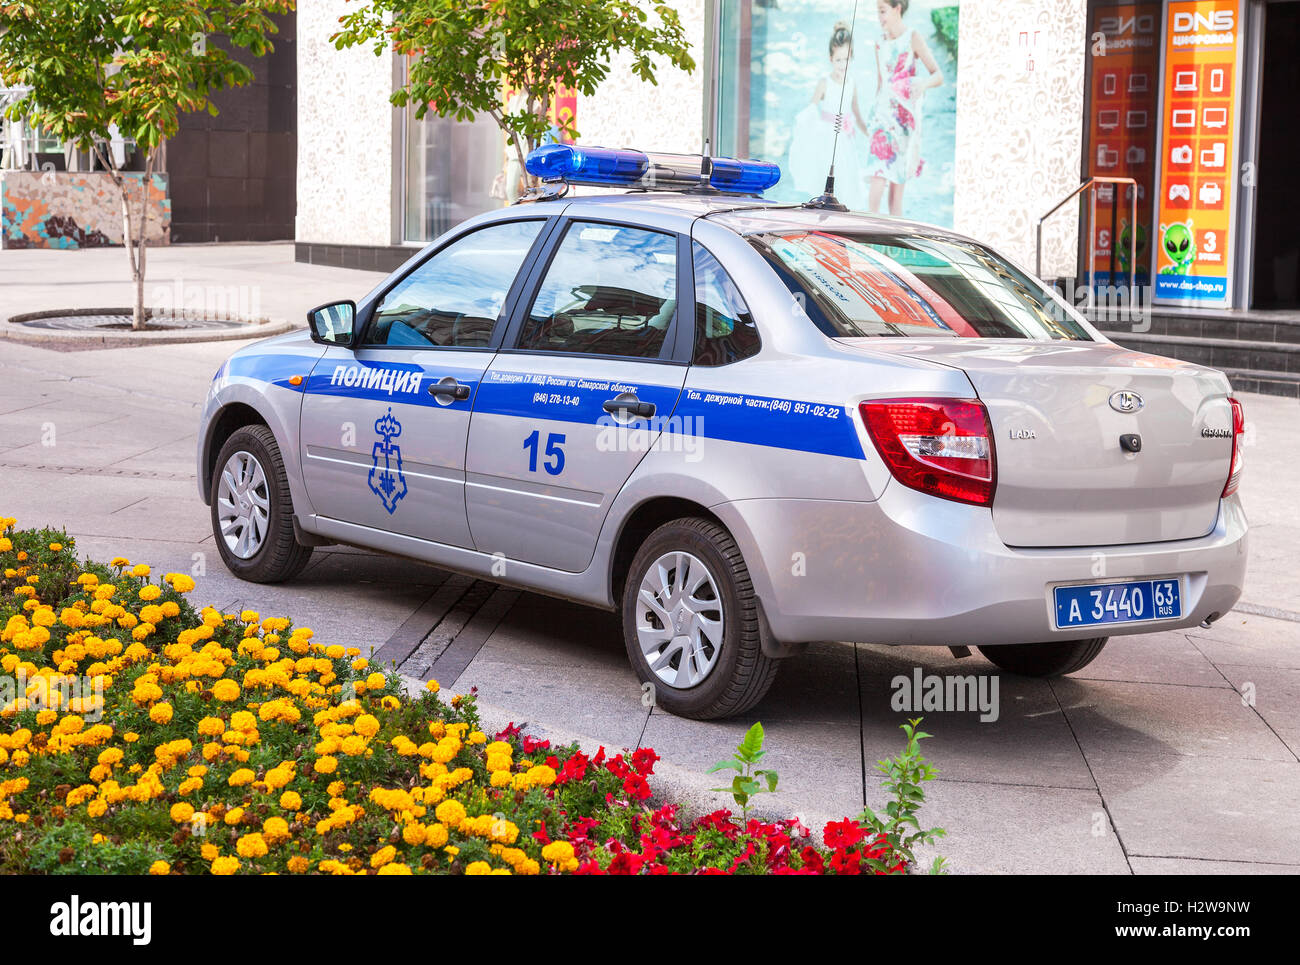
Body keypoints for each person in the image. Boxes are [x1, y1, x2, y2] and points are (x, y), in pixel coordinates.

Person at [864, 0, 943, 216]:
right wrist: (871, 119)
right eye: (878, 12)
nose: (880, 17)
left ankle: (891, 248)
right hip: (881, 117)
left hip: (903, 120)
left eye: (883, 11)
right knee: (877, 174)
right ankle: (868, 236)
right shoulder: (879, 43)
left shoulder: (912, 37)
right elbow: (881, 85)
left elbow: (938, 75)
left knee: (897, 188)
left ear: (897, 8)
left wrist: (922, 84)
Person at [788, 21, 868, 210]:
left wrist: (868, 133)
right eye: (838, 59)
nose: (842, 64)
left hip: (845, 140)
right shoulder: (825, 82)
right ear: (830, 58)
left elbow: (856, 112)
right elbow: (812, 107)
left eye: (846, 59)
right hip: (825, 137)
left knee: (846, 181)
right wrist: (805, 126)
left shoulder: (852, 83)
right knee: (823, 178)